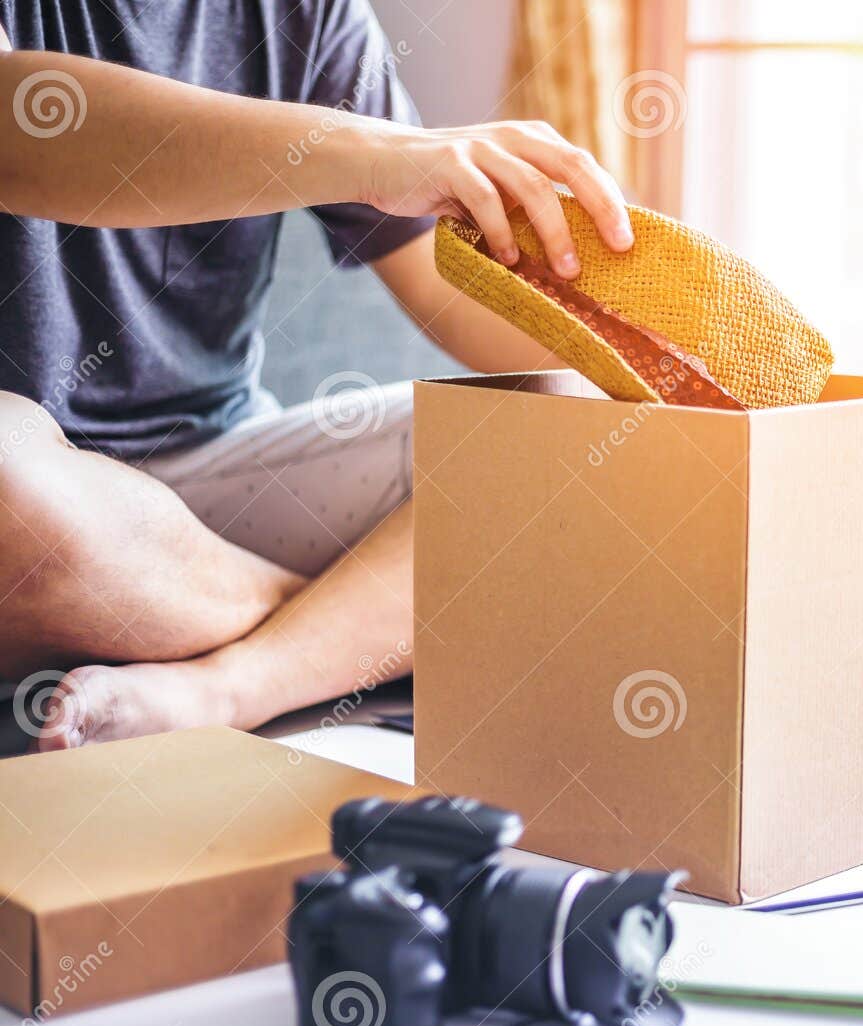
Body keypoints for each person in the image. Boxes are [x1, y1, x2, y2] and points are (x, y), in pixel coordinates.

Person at [0, 2, 633, 750]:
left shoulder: (307, 13)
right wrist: (369, 153)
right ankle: (342, 637)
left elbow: (443, 286)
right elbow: (18, 130)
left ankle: (233, 683)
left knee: (584, 424)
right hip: (33, 491)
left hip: (214, 481)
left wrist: (634, 341)